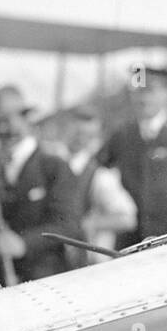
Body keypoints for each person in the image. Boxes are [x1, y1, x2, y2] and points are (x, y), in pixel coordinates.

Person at [0, 85, 82, 285]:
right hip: (3, 285)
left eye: (7, 121)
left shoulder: (53, 167)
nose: (1, 129)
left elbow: (68, 225)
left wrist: (24, 243)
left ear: (26, 118)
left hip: (48, 282)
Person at [98, 67, 167, 249]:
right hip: (130, 239)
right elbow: (96, 169)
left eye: (150, 91)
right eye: (138, 92)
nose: (143, 99)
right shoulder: (123, 135)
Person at [65, 105, 136, 263]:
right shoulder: (52, 163)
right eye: (76, 133)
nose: (80, 139)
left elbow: (128, 219)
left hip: (86, 259)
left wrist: (92, 223)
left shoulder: (100, 176)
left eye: (87, 135)